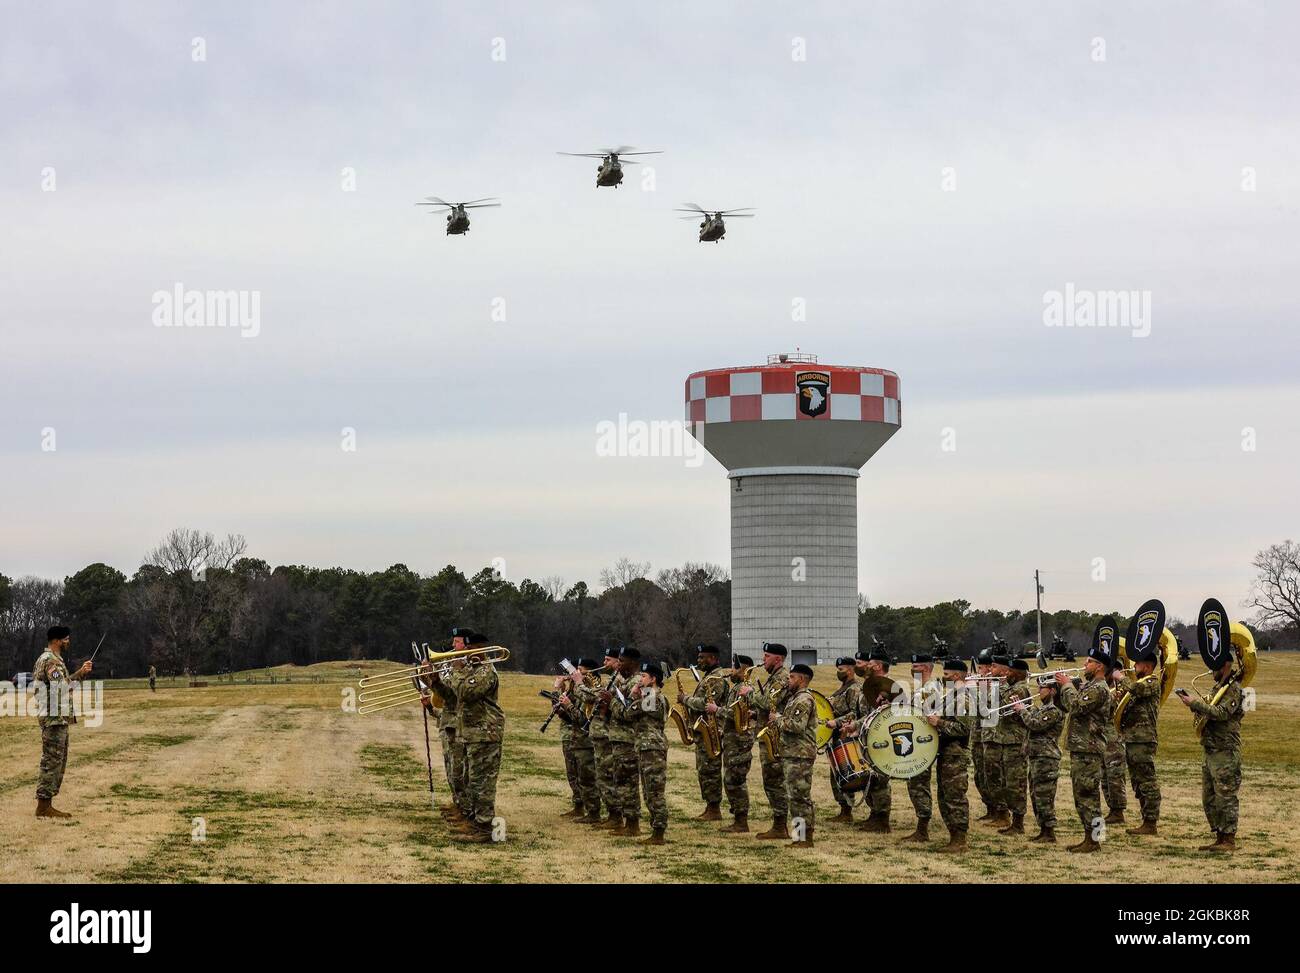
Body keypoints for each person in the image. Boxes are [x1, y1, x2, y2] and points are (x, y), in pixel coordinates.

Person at [1178, 655, 1246, 852]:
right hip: (1210, 748)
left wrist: (1195, 704)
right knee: (1209, 797)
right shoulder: (1219, 688)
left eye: (1214, 666)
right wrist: (1195, 705)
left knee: (1225, 795)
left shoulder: (1234, 689)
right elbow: (1210, 709)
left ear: (1225, 665)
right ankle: (1219, 836)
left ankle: (1229, 839)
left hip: (1225, 750)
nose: (1210, 671)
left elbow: (1222, 713)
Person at [1056, 645, 1112, 853]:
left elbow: (1077, 706)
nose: (1084, 665)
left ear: (1099, 667)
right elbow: (1070, 706)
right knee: (1083, 796)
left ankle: (1095, 840)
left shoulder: (1099, 688)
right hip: (1082, 748)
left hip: (1089, 748)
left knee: (1088, 796)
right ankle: (1091, 837)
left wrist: (1067, 685)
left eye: (1088, 662)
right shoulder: (1090, 687)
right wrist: (1060, 689)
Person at [33, 625, 93, 818]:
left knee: (57, 760)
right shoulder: (51, 661)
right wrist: (79, 673)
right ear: (57, 641)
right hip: (54, 719)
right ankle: (43, 806)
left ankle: (46, 804)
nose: (69, 641)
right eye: (66, 639)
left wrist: (80, 673)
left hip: (56, 717)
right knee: (52, 761)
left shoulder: (52, 659)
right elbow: (61, 688)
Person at [452, 633, 506, 843]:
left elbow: (466, 691)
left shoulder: (485, 671)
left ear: (478, 649)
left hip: (486, 733)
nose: (463, 653)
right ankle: (476, 822)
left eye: (468, 649)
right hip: (473, 733)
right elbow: (453, 693)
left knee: (482, 783)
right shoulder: (472, 670)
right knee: (472, 781)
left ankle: (485, 827)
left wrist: (457, 670)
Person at [736, 642, 790, 839]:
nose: (763, 660)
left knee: (775, 780)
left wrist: (750, 693)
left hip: (776, 736)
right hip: (768, 733)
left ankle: (780, 825)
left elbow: (769, 702)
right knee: (770, 780)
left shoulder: (782, 678)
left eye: (767, 656)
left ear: (778, 659)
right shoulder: (773, 678)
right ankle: (779, 824)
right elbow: (767, 706)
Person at [768, 663, 818, 848]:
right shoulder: (795, 698)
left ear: (801, 679)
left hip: (800, 755)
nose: (788, 681)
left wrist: (778, 719)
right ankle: (800, 836)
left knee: (799, 797)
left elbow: (797, 726)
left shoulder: (803, 700)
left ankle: (804, 838)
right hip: (793, 753)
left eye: (791, 677)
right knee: (794, 796)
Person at [928, 657, 974, 852]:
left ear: (956, 675)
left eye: (946, 674)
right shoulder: (952, 695)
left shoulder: (963, 697)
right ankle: (953, 837)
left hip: (955, 754)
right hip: (946, 753)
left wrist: (939, 723)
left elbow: (963, 728)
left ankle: (959, 839)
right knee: (945, 796)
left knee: (955, 797)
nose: (943, 677)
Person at [678, 643, 728, 821]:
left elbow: (706, 703)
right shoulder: (709, 677)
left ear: (713, 658)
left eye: (703, 657)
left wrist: (685, 700)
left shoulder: (716, 679)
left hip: (711, 731)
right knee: (704, 770)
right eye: (699, 657)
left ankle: (714, 808)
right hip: (704, 731)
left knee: (710, 770)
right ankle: (710, 806)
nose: (699, 661)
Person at [574, 649, 622, 829]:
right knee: (602, 776)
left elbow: (592, 696)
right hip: (599, 734)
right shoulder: (612, 678)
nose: (604, 662)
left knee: (607, 776)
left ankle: (615, 815)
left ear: (618, 662)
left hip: (606, 733)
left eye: (608, 660)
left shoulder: (616, 680)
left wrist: (578, 683)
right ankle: (612, 814)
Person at [1116, 657, 1162, 836]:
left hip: (1144, 739)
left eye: (1138, 664)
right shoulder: (1138, 684)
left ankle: (1151, 822)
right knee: (1138, 782)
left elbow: (1138, 689)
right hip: (1133, 739)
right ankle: (1146, 820)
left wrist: (1121, 678)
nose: (1134, 667)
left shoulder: (1152, 682)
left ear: (1147, 666)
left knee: (1147, 782)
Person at [627, 661, 670, 844]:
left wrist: (633, 696)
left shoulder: (654, 697)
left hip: (653, 749)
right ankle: (655, 829)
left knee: (654, 792)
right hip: (646, 748)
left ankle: (659, 832)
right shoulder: (649, 695)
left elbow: (629, 712)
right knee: (648, 791)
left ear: (653, 679)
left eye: (644, 676)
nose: (640, 679)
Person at [1017, 678, 1064, 842]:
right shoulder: (1041, 708)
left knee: (1045, 796)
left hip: (1047, 758)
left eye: (1042, 688)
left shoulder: (1054, 711)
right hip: (1037, 756)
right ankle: (1043, 830)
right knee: (1036, 794)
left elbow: (1035, 724)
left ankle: (1049, 831)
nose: (1039, 690)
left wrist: (1022, 710)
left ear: (1052, 691)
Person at [901, 653, 941, 842]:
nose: (912, 669)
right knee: (915, 783)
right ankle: (921, 826)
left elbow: (920, 714)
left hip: (923, 742)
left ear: (925, 668)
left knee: (919, 784)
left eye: (915, 666)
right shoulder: (922, 688)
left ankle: (923, 828)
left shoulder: (930, 688)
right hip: (918, 740)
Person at [604, 647, 642, 836]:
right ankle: (626, 821)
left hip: (628, 740)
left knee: (628, 782)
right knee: (621, 781)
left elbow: (629, 713)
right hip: (619, 739)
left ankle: (633, 824)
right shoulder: (625, 681)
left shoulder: (637, 683)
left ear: (633, 663)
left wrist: (610, 701)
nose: (619, 664)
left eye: (622, 661)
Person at [718, 654, 757, 833]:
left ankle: (742, 821)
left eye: (734, 668)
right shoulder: (737, 687)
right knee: (730, 779)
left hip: (740, 741)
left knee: (736, 780)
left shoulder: (745, 689)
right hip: (732, 739)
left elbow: (737, 714)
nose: (730, 672)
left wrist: (716, 710)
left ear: (744, 669)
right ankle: (738, 817)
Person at [560, 658, 601, 822]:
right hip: (577, 739)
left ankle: (593, 812)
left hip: (585, 740)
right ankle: (586, 810)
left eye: (580, 669)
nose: (575, 672)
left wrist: (568, 706)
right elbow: (570, 717)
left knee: (587, 778)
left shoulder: (590, 690)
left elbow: (583, 719)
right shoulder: (578, 689)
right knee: (577, 776)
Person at [826, 657, 861, 824]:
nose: (838, 672)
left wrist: (838, 722)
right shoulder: (843, 688)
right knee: (836, 774)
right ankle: (843, 809)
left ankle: (847, 811)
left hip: (844, 735)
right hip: (835, 736)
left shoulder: (854, 688)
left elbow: (855, 712)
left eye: (841, 669)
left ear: (850, 670)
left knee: (845, 773)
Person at [1102, 666, 1129, 825]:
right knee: (1104, 777)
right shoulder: (1103, 688)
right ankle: (1112, 808)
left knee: (1115, 776)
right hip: (1103, 738)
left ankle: (1118, 810)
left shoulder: (1120, 690)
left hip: (1114, 738)